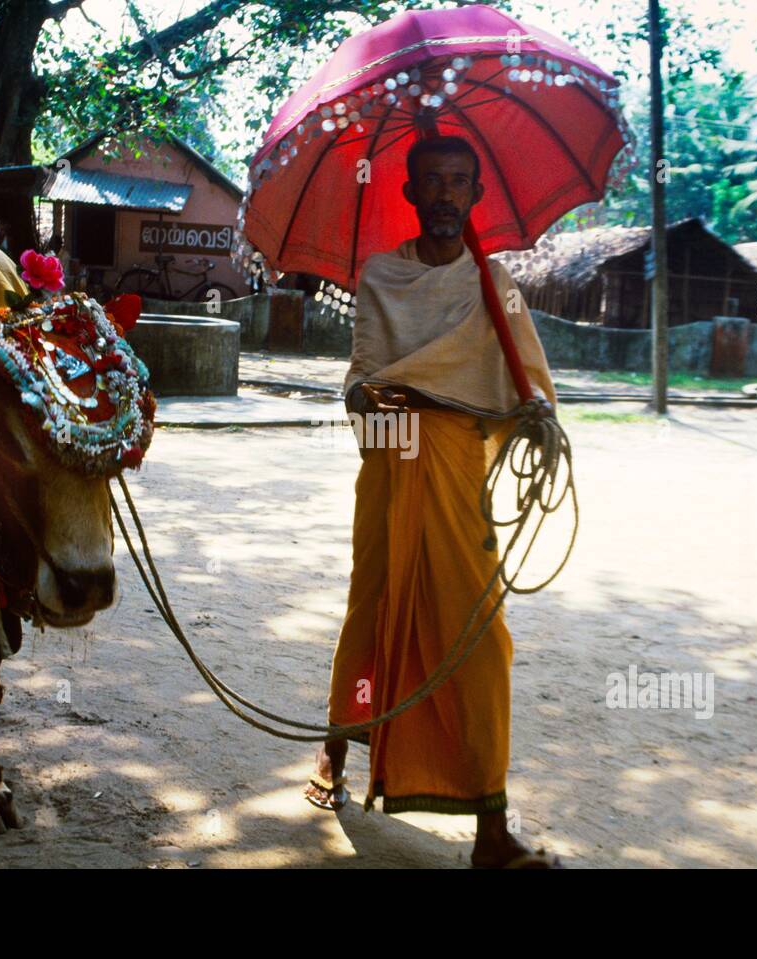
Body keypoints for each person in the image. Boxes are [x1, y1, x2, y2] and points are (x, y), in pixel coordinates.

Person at [303, 135, 561, 868]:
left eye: (458, 182)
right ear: (410, 194)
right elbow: (356, 387)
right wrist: (381, 395)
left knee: (479, 636)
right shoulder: (380, 276)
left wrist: (538, 411)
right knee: (372, 615)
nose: (446, 195)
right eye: (432, 182)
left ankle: (490, 826)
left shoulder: (495, 282)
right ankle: (335, 753)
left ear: (475, 196)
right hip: (392, 469)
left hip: (455, 478)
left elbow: (527, 383)